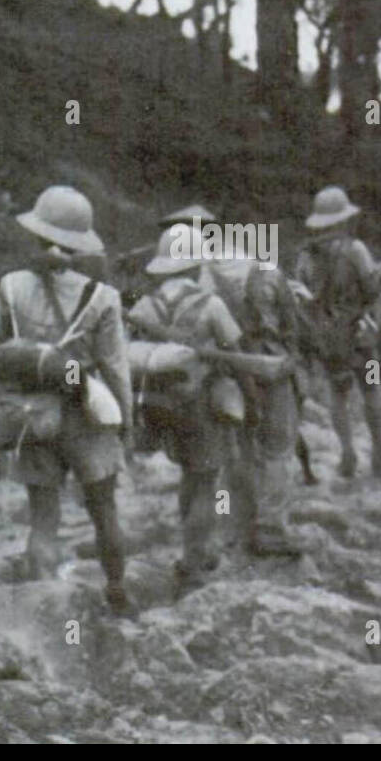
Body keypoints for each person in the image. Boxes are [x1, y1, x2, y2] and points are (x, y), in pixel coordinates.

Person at [0, 185, 137, 617]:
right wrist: (125, 418)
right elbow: (115, 365)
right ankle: (118, 592)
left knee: (43, 516)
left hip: (34, 413)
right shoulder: (104, 297)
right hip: (87, 410)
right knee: (103, 509)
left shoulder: (9, 285)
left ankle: (47, 607)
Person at [128, 224, 246, 594]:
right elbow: (235, 350)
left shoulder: (145, 306)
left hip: (159, 406)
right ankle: (194, 561)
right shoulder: (211, 304)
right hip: (201, 406)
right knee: (207, 481)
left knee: (188, 477)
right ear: (196, 269)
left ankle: (197, 548)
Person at [199, 235, 304, 558]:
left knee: (236, 450)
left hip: (225, 370)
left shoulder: (204, 275)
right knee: (277, 449)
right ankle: (271, 528)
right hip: (270, 368)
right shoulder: (269, 271)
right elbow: (291, 324)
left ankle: (235, 528)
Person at [295, 186, 381, 478]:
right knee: (371, 389)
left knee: (338, 394)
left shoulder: (306, 256)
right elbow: (371, 288)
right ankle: (380, 451)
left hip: (329, 340)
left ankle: (347, 455)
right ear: (342, 219)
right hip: (361, 337)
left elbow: (302, 294)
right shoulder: (355, 249)